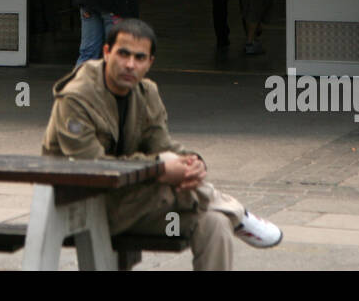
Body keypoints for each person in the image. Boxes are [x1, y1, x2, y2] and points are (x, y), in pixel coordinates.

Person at [42, 18, 282, 270]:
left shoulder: (146, 91)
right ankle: (237, 212)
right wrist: (158, 168)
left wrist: (193, 162)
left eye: (139, 57)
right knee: (168, 186)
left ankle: (227, 212)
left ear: (149, 63)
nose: (130, 64)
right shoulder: (76, 97)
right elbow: (91, 167)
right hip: (83, 207)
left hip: (132, 201)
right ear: (106, 52)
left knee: (215, 223)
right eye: (123, 54)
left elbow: (162, 144)